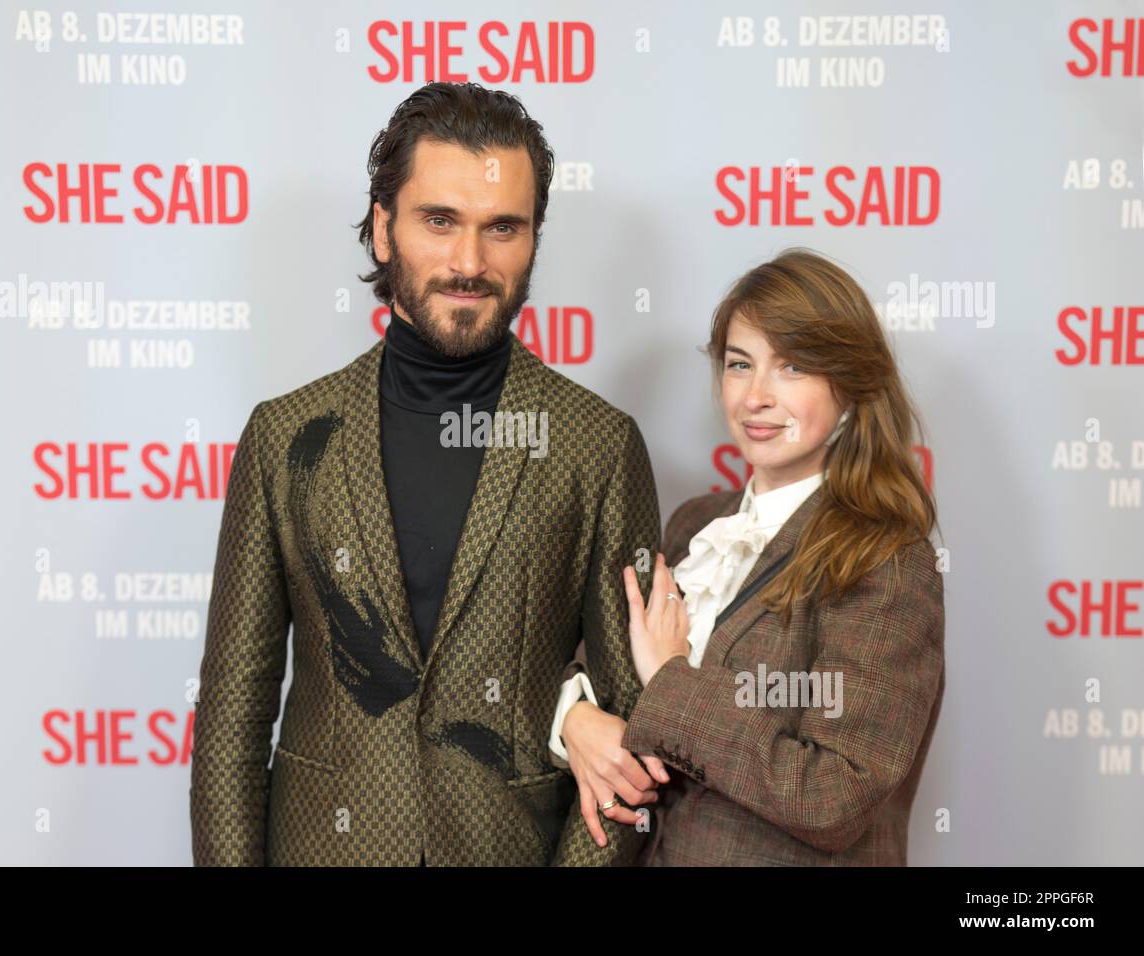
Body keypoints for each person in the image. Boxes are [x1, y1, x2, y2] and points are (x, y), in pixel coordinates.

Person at [190, 82, 661, 866]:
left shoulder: (597, 447)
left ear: (535, 238)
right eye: (439, 220)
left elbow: (635, 719)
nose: (468, 262)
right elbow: (233, 723)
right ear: (383, 229)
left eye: (501, 227)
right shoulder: (284, 440)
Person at [555, 248, 945, 865]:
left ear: (848, 386)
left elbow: (835, 796)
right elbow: (596, 666)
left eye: (792, 367)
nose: (756, 396)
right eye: (740, 365)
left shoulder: (886, 559)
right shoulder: (695, 524)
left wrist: (671, 681)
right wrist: (574, 721)